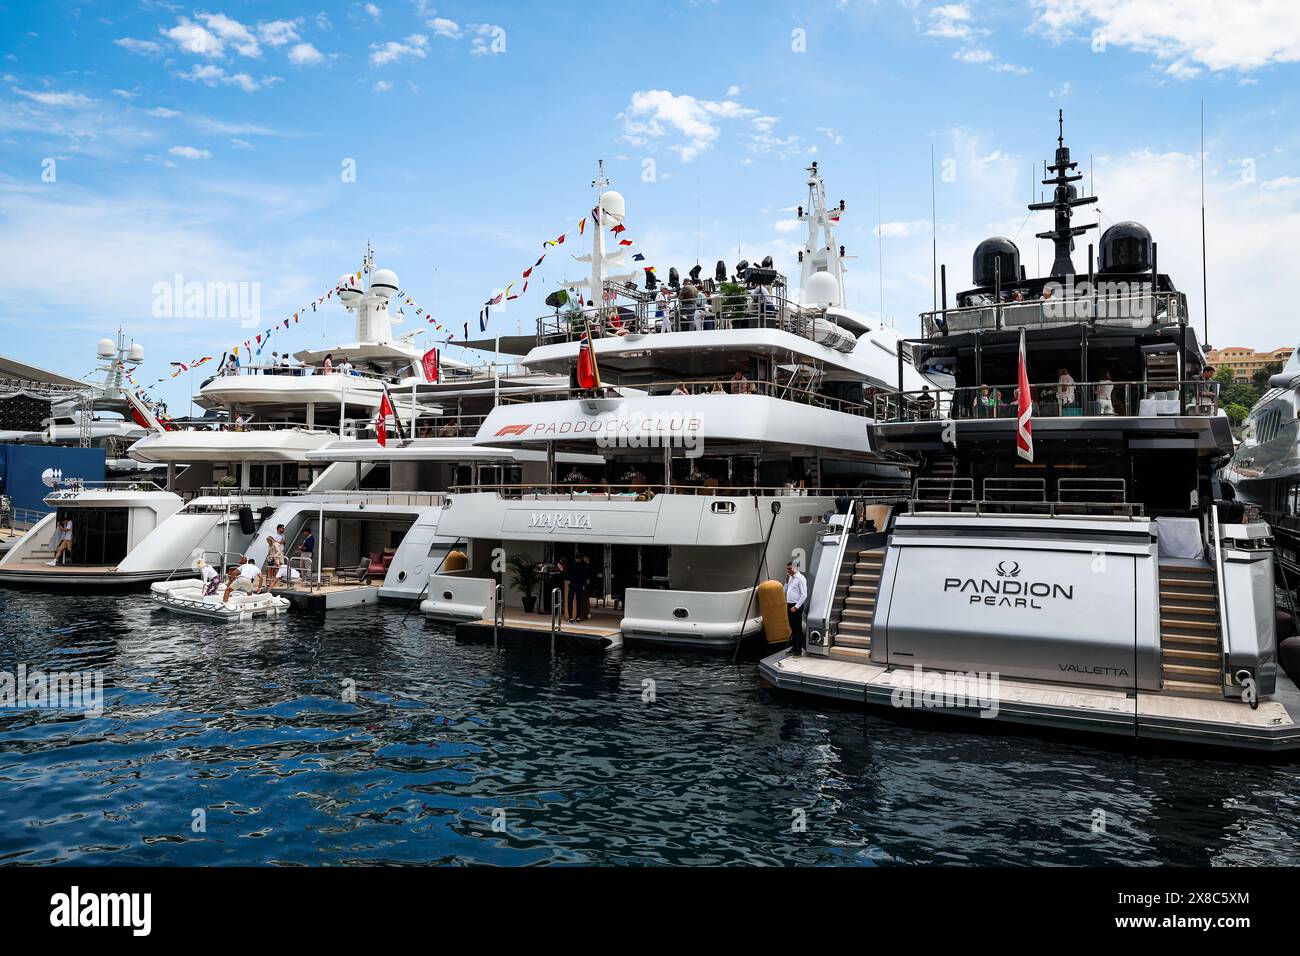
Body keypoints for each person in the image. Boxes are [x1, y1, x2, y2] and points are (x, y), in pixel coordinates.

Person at [785, 561, 808, 656]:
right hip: (789, 604)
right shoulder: (790, 578)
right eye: (787, 569)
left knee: (798, 628)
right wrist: (786, 582)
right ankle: (794, 647)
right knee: (792, 628)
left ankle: (798, 651)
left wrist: (796, 607)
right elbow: (784, 591)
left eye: (789, 569)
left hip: (796, 606)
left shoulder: (801, 578)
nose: (788, 571)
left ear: (795, 568)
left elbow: (804, 595)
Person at [565, 555, 586, 623]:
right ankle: (578, 617)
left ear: (575, 558)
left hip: (573, 584)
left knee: (570, 601)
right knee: (579, 601)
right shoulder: (583, 566)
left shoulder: (571, 565)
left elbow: (567, 574)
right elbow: (585, 576)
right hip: (580, 585)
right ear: (581, 558)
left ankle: (570, 617)